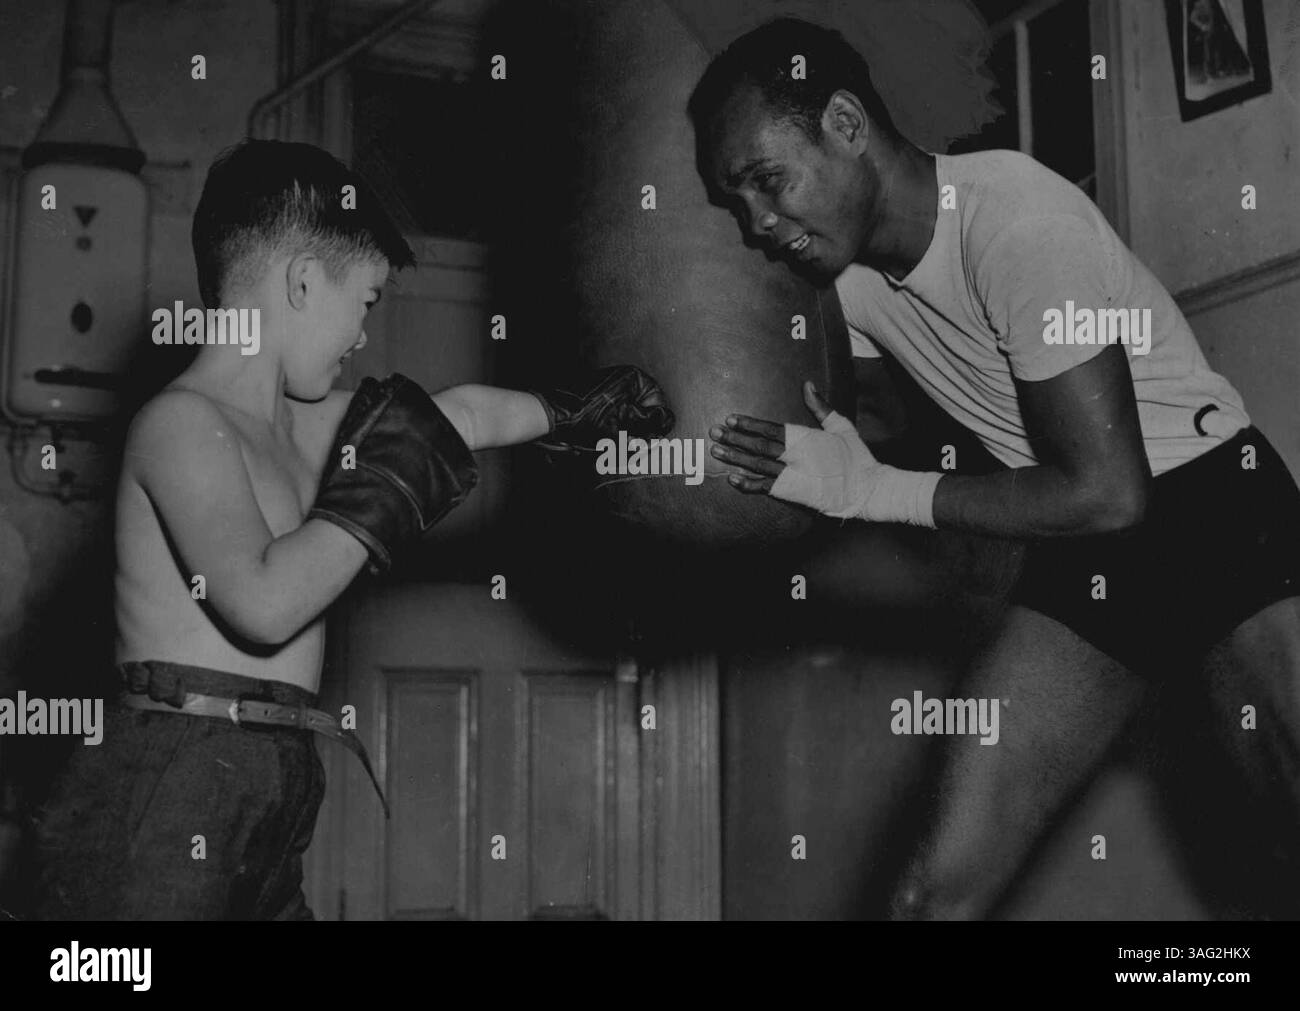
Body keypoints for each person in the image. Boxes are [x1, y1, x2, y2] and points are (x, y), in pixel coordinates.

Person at [691, 18, 1300, 919]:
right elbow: (845, 430)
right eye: (733, 202)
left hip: (1216, 510)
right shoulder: (839, 278)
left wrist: (877, 494)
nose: (756, 225)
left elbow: (1109, 490)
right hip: (1088, 548)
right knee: (933, 896)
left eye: (767, 182)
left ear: (848, 125)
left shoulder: (1018, 223)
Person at [31, 139, 671, 920]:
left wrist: (581, 408)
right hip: (169, 779)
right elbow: (263, 601)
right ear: (302, 281)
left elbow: (456, 416)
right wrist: (386, 489)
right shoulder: (180, 424)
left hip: (276, 774)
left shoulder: (314, 424)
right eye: (366, 302)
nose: (363, 335)